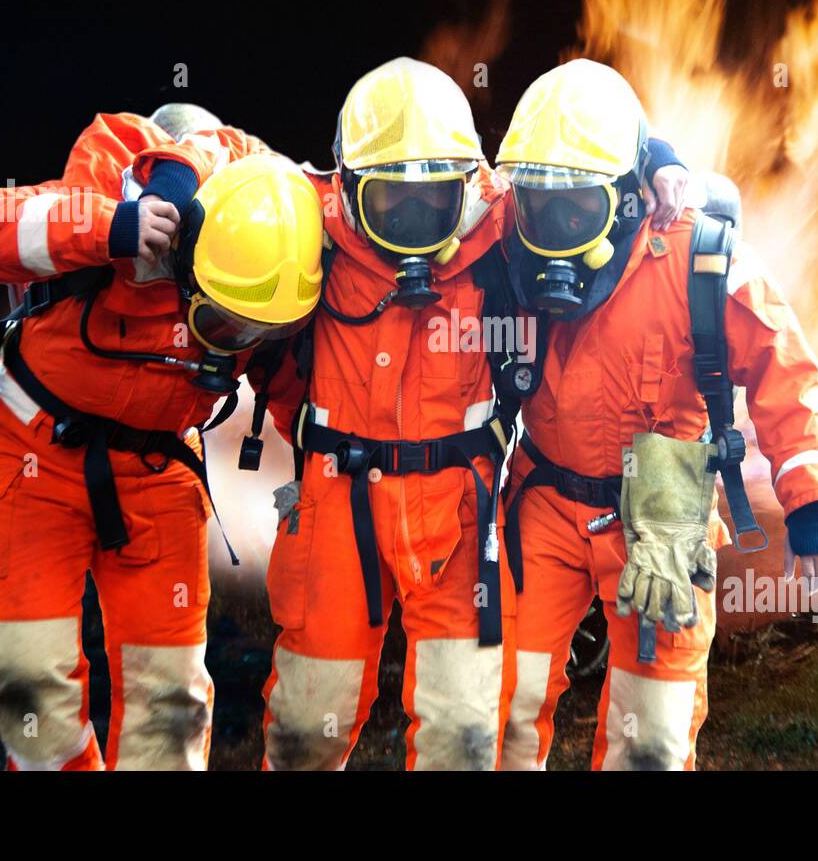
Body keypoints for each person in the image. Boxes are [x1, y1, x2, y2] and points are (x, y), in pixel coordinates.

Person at [262, 58, 690, 769]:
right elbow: (221, 160)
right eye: (388, 197)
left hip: (456, 515)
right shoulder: (311, 219)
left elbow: (573, 170)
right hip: (335, 505)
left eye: (429, 194)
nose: (408, 213)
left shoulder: (500, 223)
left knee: (464, 736)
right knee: (306, 724)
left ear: (463, 181)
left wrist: (652, 154)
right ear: (347, 183)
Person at [0, 110, 321, 770]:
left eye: (252, 328)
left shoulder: (261, 245)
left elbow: (289, 386)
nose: (234, 338)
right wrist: (104, 230)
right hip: (33, 453)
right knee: (26, 679)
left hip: (159, 469)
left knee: (169, 702)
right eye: (223, 320)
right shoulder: (102, 211)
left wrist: (323, 479)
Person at [494, 59, 818, 771]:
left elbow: (786, 370)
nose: (556, 225)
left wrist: (813, 505)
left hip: (664, 502)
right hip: (545, 496)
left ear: (628, 196)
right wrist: (654, 150)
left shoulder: (703, 260)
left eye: (579, 207)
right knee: (498, 705)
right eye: (542, 204)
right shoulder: (506, 237)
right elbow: (428, 187)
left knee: (651, 739)